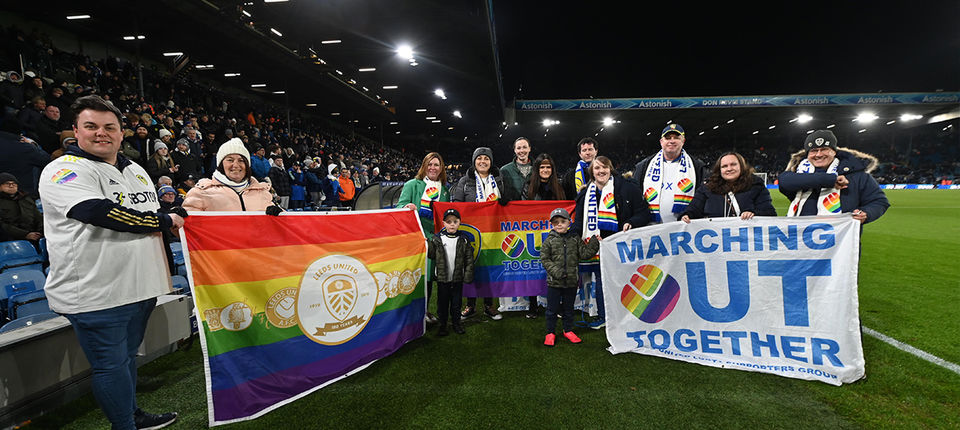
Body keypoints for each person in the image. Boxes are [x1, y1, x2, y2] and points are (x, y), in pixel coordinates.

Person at [38, 95, 181, 429]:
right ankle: (124, 425)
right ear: (75, 130)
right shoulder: (63, 170)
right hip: (96, 291)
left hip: (141, 285)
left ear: (121, 133)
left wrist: (171, 215)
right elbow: (98, 212)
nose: (101, 133)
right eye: (91, 126)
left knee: (126, 358)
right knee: (111, 365)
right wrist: (165, 221)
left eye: (109, 127)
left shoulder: (134, 169)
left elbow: (149, 212)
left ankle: (131, 413)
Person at [574, 156, 650, 329]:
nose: (601, 171)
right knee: (602, 279)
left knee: (626, 280)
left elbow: (643, 213)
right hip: (598, 246)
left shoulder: (628, 188)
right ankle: (603, 316)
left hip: (622, 244)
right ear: (591, 172)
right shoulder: (585, 194)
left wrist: (632, 222)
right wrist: (570, 236)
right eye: (597, 168)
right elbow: (579, 222)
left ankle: (630, 315)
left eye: (604, 167)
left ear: (611, 169)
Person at [779, 130, 889, 224]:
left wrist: (867, 214)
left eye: (824, 149)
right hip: (801, 240)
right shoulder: (799, 172)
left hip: (839, 243)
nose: (819, 154)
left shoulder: (857, 175)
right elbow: (784, 182)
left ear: (834, 152)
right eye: (814, 151)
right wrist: (831, 180)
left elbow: (879, 201)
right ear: (807, 155)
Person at [451, 147, 508, 321]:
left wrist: (506, 201)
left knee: (489, 269)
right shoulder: (465, 181)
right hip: (472, 233)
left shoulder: (498, 179)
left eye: (486, 159)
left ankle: (489, 306)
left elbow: (506, 202)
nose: (483, 161)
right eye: (479, 158)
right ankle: (470, 305)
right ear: (474, 161)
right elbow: (457, 204)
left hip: (493, 232)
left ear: (491, 162)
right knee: (471, 267)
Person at [397, 152, 452, 324]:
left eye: (436, 165)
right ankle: (410, 314)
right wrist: (407, 207)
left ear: (441, 168)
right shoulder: (413, 185)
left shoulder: (444, 190)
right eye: (430, 164)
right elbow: (400, 207)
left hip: (435, 240)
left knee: (429, 277)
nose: (433, 168)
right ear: (424, 166)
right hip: (416, 238)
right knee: (414, 276)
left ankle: (425, 311)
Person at [540, 208, 600, 346]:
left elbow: (585, 254)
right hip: (554, 283)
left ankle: (568, 330)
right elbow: (545, 259)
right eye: (556, 222)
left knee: (568, 309)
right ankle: (550, 332)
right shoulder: (549, 241)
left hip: (571, 282)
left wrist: (594, 242)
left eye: (562, 221)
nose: (559, 224)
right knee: (551, 310)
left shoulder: (575, 239)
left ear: (569, 223)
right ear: (552, 225)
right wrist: (556, 272)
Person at [518, 153, 566, 319]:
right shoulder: (528, 187)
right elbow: (523, 210)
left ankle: (557, 305)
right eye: (542, 167)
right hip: (534, 234)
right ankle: (532, 305)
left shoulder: (559, 187)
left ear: (552, 169)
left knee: (556, 268)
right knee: (533, 269)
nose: (545, 170)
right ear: (537, 169)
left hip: (556, 235)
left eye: (548, 167)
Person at [633, 124, 708, 224]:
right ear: (661, 141)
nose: (671, 141)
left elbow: (702, 198)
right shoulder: (644, 166)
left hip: (685, 227)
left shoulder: (697, 167)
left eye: (676, 138)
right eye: (667, 138)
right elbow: (635, 196)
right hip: (650, 227)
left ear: (683, 141)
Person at [182, 138, 279, 213]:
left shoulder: (262, 192)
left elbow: (284, 227)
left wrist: (278, 218)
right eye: (230, 160)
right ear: (221, 165)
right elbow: (185, 230)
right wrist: (177, 218)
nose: (236, 165)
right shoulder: (201, 192)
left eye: (241, 160)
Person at [681, 152, 777, 222]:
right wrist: (687, 215)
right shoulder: (707, 187)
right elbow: (694, 208)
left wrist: (753, 213)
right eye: (724, 166)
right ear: (719, 169)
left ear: (741, 166)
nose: (729, 169)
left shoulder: (756, 185)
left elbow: (769, 212)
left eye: (733, 164)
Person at [426, 208, 475, 336]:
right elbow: (431, 255)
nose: (452, 224)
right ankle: (442, 325)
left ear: (459, 223)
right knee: (442, 303)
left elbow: (469, 258)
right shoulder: (438, 239)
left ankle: (456, 323)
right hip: (443, 279)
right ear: (443, 223)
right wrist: (427, 244)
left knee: (456, 303)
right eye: (449, 222)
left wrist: (468, 275)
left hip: (457, 278)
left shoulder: (463, 239)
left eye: (455, 221)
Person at [0, 172, 43, 243]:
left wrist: (39, 232)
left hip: (34, 237)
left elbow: (38, 217)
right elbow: (2, 226)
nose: (11, 186)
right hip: (9, 240)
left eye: (14, 184)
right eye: (7, 184)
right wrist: (25, 235)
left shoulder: (26, 199)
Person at [500, 137, 533, 202]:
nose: (521, 151)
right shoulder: (504, 170)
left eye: (524, 147)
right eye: (518, 148)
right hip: (513, 210)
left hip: (535, 209)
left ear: (529, 149)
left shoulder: (538, 169)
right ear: (515, 150)